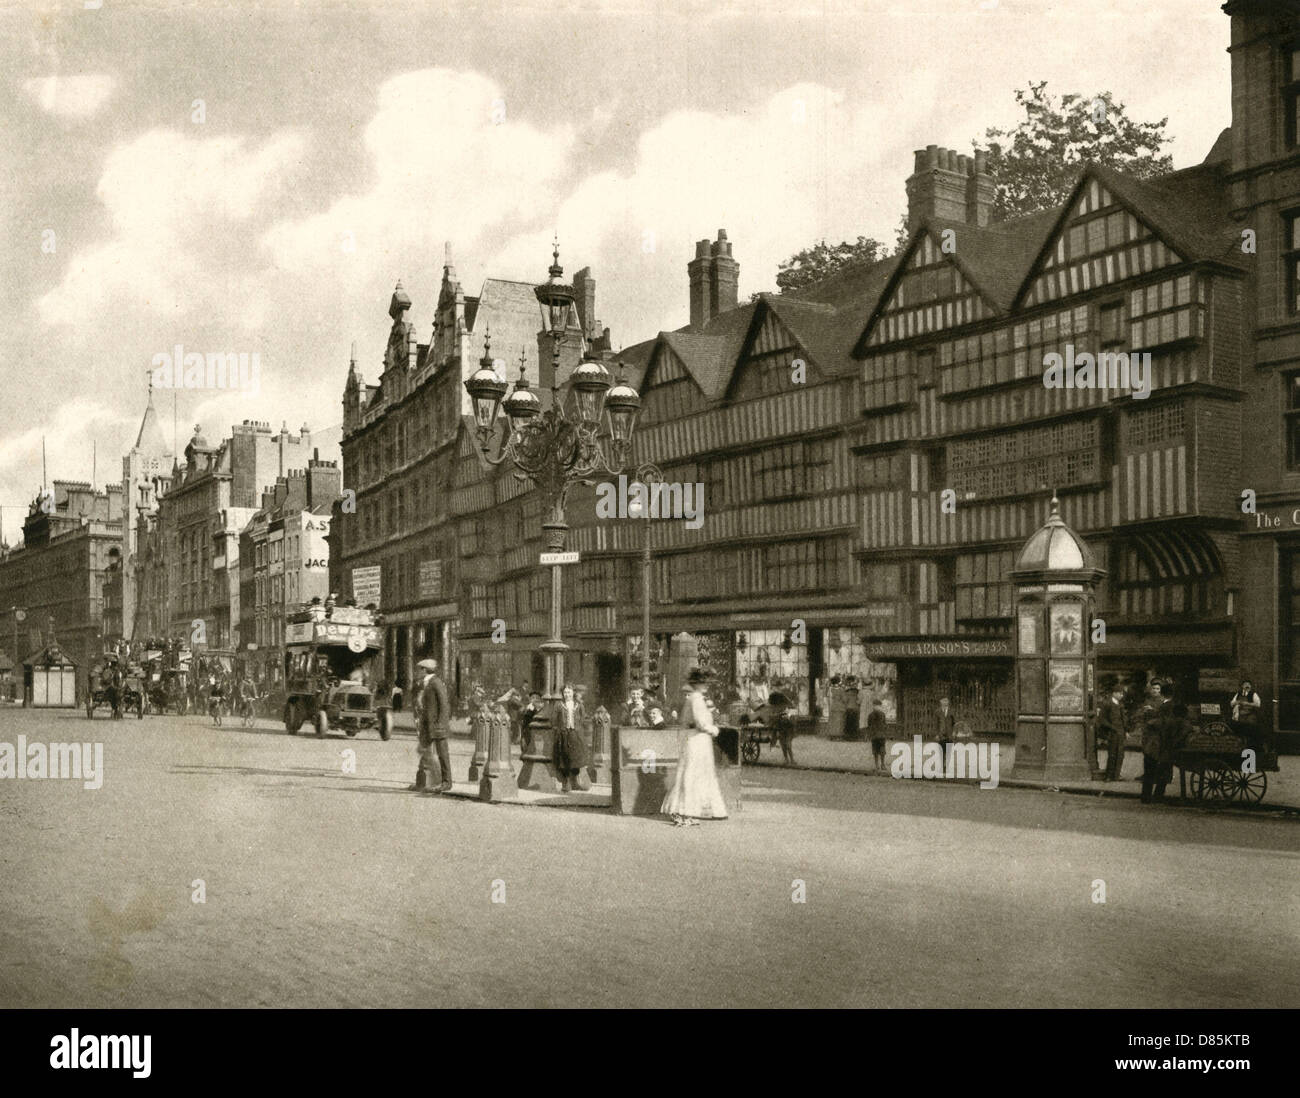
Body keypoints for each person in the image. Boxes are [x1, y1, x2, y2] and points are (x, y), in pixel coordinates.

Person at [662, 667, 729, 827]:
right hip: (697, 740)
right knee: (693, 774)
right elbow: (701, 722)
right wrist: (714, 730)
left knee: (693, 773)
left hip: (697, 740)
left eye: (706, 682)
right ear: (696, 684)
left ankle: (686, 810)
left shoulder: (695, 697)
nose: (706, 685)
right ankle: (685, 811)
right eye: (703, 683)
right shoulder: (697, 698)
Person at [413, 659, 452, 794]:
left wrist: (441, 724)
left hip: (437, 726)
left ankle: (446, 783)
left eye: (419, 669)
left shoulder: (436, 683)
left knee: (442, 755)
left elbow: (444, 704)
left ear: (425, 670)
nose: (417, 672)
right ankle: (422, 782)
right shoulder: (427, 683)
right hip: (428, 726)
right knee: (423, 750)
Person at [1139, 679, 1174, 803]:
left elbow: (1162, 721)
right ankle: (1153, 795)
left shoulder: (1164, 705)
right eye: (1153, 689)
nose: (1155, 691)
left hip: (1156, 740)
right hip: (1154, 740)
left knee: (1152, 768)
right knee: (1156, 769)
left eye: (1158, 689)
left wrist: (1151, 717)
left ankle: (1150, 796)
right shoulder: (1150, 702)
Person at [553, 683, 589, 792]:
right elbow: (554, 719)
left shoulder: (579, 705)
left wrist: (577, 729)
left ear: (573, 693)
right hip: (564, 734)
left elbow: (582, 719)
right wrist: (560, 730)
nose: (567, 694)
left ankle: (576, 782)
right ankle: (566, 783)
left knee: (576, 758)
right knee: (564, 758)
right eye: (565, 692)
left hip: (575, 735)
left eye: (569, 692)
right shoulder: (559, 705)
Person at [1097, 678, 1128, 782]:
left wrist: (1126, 730)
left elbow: (1123, 719)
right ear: (1114, 693)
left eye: (1122, 694)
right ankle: (1109, 776)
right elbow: (1102, 719)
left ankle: (1116, 775)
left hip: (1120, 733)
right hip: (1112, 733)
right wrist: (1111, 727)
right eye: (1120, 693)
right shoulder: (1107, 704)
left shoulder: (1120, 704)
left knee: (1120, 754)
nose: (1121, 695)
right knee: (1112, 754)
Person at [768, 691, 796, 765]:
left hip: (788, 730)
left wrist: (788, 716)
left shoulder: (788, 710)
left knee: (788, 745)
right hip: (781, 730)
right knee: (783, 746)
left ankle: (792, 760)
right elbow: (774, 720)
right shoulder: (777, 711)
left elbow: (792, 720)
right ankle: (787, 759)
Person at [865, 697, 888, 772]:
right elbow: (885, 725)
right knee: (882, 750)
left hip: (874, 735)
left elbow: (869, 726)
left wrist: (869, 734)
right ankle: (883, 765)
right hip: (881, 735)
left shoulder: (870, 715)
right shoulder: (882, 714)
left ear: (873, 706)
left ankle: (877, 765)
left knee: (875, 750)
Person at [935, 696, 955, 771]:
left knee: (948, 752)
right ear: (940, 702)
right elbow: (936, 724)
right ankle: (941, 766)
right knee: (941, 751)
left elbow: (954, 723)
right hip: (941, 735)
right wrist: (937, 734)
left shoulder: (951, 711)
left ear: (948, 702)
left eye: (946, 701)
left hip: (949, 735)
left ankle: (947, 766)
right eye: (943, 701)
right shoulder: (937, 712)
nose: (945, 702)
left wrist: (953, 733)